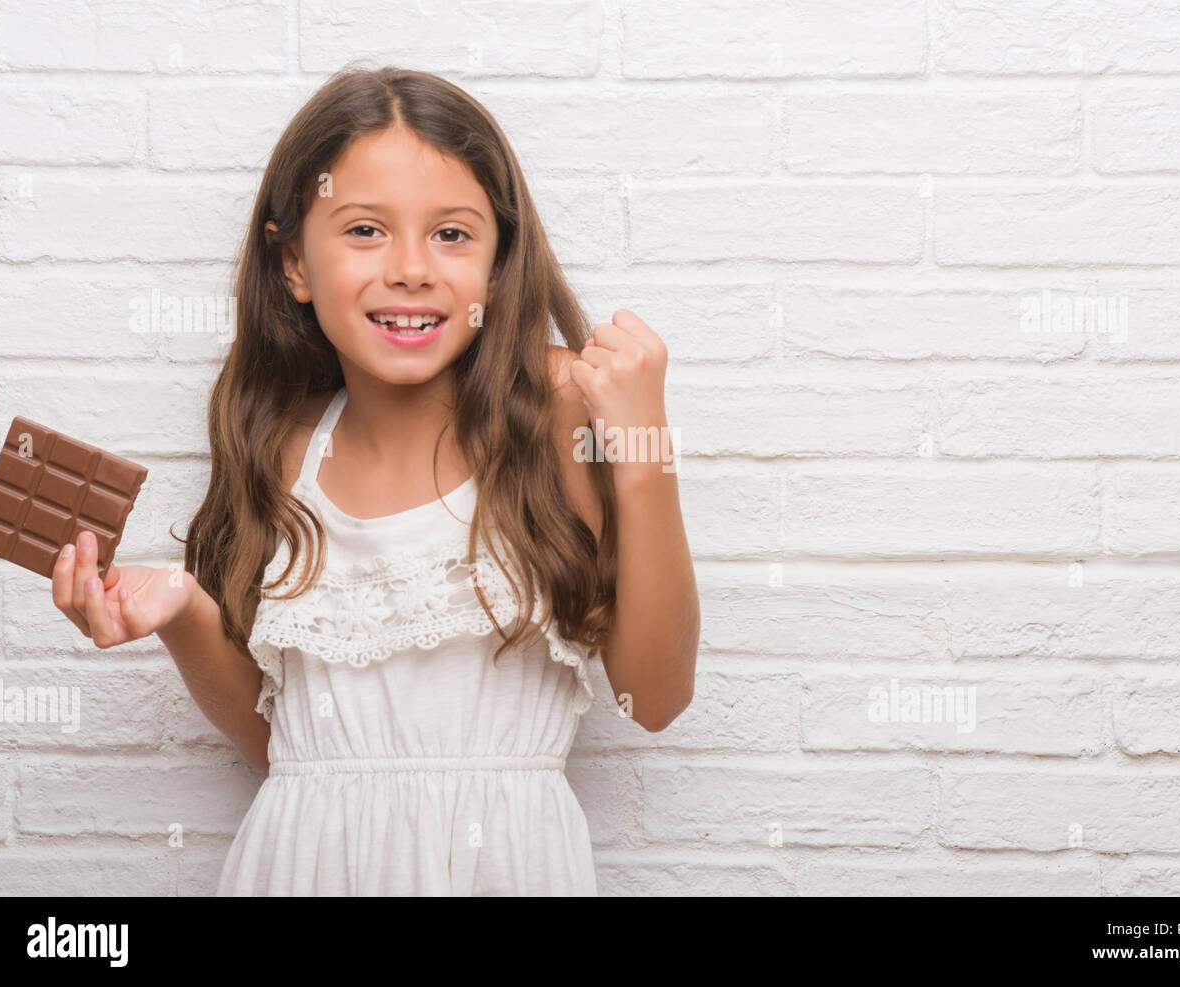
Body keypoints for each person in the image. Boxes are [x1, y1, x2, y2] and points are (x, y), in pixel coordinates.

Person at [50, 65, 700, 895]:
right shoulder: (281, 445)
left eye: (452, 234)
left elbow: (655, 698)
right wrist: (183, 610)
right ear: (294, 264)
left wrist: (644, 453)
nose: (411, 268)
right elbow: (285, 750)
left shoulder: (558, 408)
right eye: (365, 230)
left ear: (499, 266)